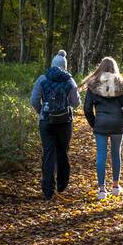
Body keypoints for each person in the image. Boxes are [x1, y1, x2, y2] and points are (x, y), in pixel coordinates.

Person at [30, 50, 79, 201]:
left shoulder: (42, 79)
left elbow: (34, 100)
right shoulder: (70, 80)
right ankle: (62, 184)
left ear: (52, 65)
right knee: (62, 152)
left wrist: (42, 112)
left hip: (46, 121)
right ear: (65, 66)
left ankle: (47, 190)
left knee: (48, 153)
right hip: (65, 122)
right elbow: (76, 103)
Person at [81, 56, 123, 200]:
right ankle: (116, 187)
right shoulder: (122, 85)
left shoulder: (93, 85)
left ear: (100, 67)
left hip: (101, 124)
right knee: (116, 154)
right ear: (115, 67)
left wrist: (94, 123)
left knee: (101, 155)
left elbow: (87, 109)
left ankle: (102, 190)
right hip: (117, 124)